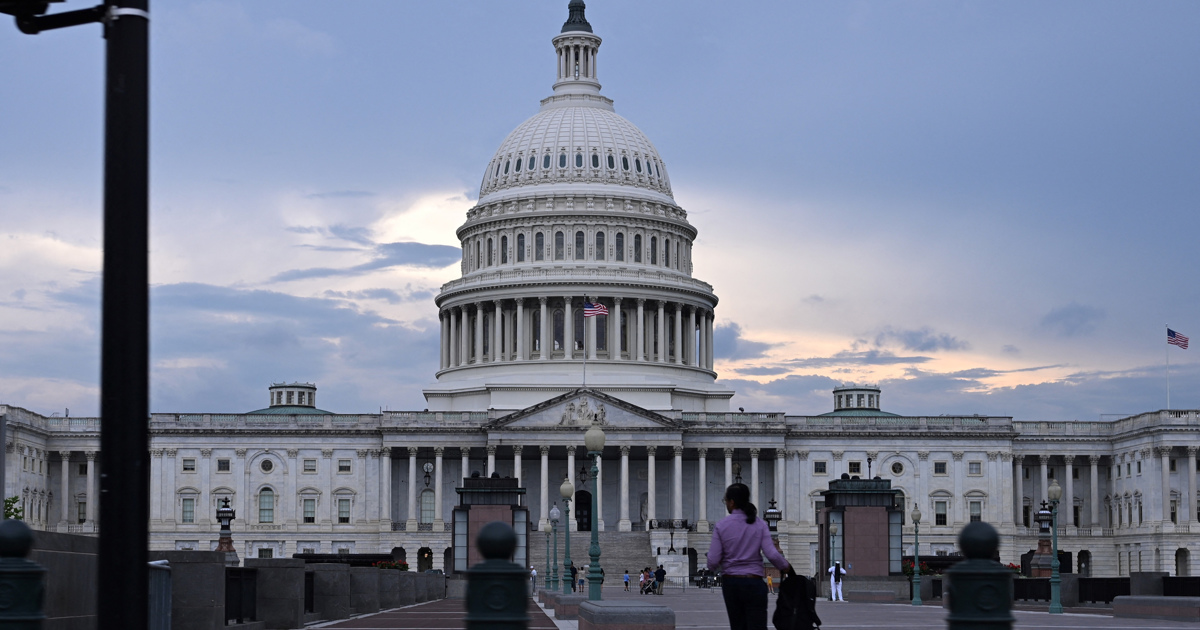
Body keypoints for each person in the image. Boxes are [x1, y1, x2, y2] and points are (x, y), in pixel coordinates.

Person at [706, 483, 791, 630]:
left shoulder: (722, 525)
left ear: (732, 502)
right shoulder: (760, 524)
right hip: (754, 582)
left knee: (737, 626)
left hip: (731, 584)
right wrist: (787, 567)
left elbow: (712, 561)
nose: (726, 503)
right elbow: (771, 554)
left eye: (725, 500)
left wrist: (721, 562)